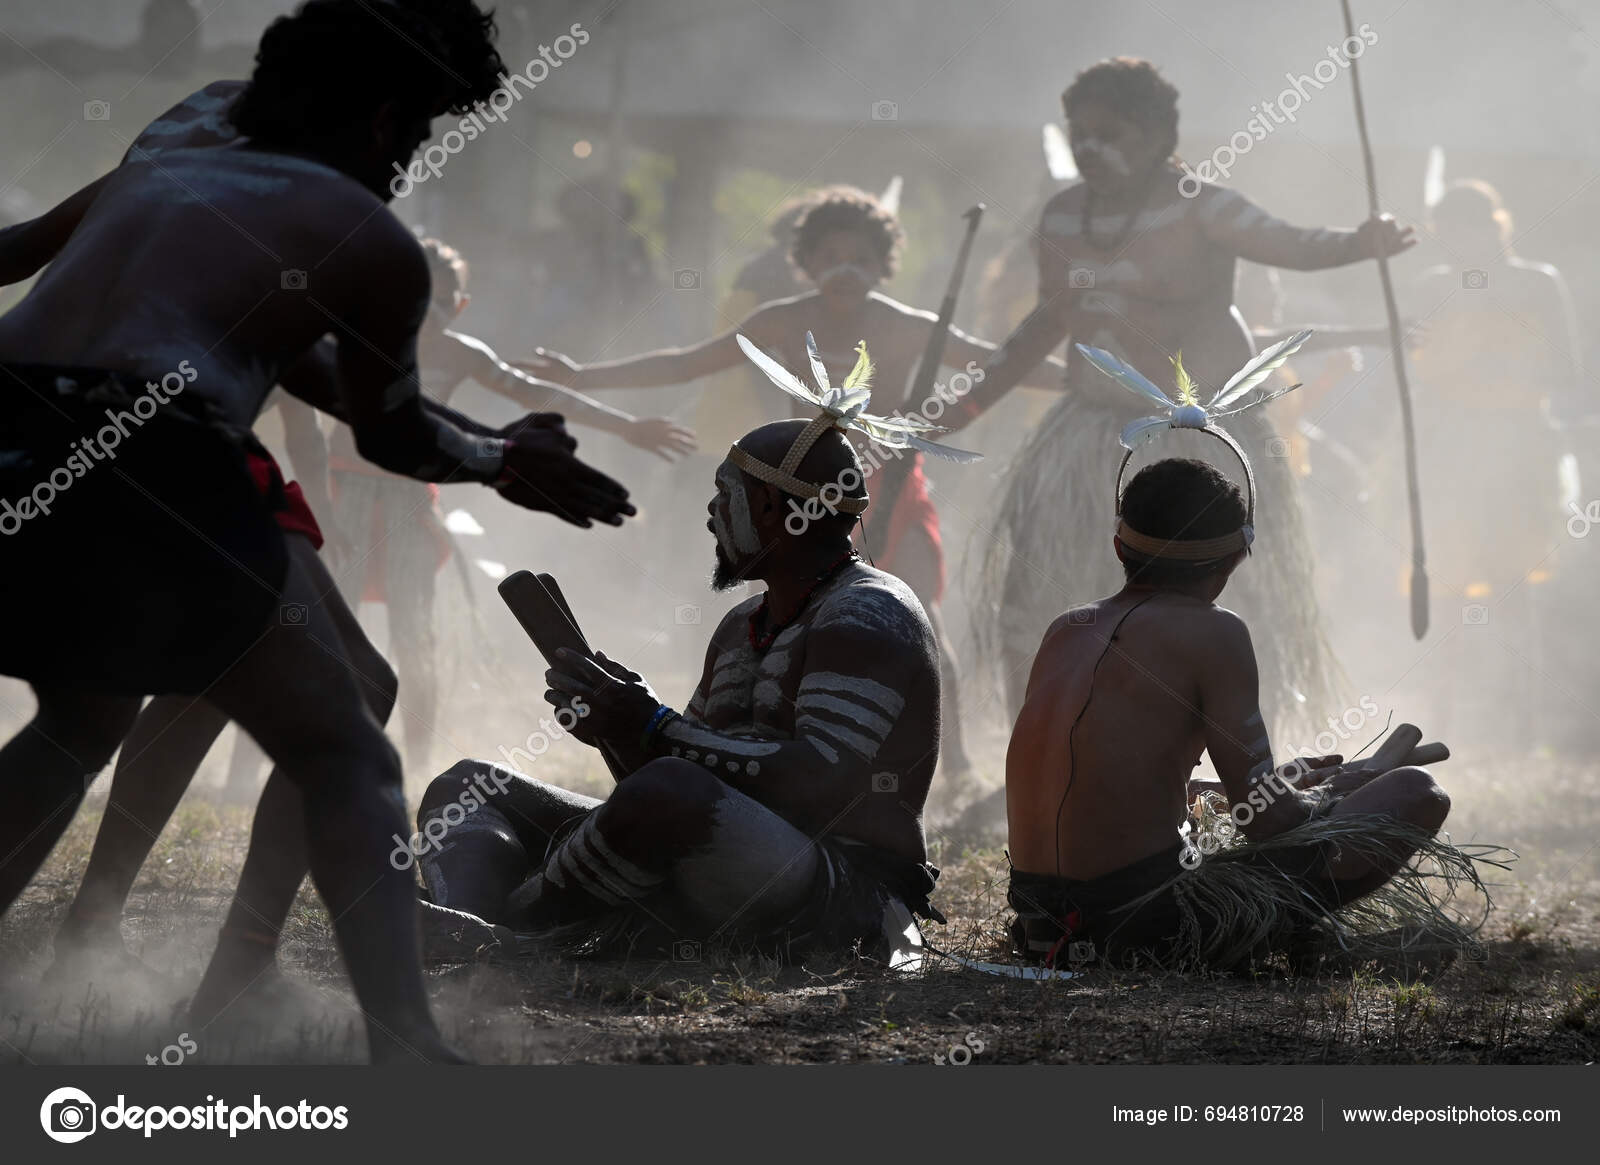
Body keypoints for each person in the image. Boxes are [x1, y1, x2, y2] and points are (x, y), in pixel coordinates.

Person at [0, 0, 633, 1062]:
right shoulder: (366, 235)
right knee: (347, 747)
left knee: (80, 714)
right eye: (425, 131)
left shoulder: (170, 147)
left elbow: (33, 256)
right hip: (160, 451)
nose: (413, 163)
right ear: (386, 118)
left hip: (16, 427)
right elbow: (393, 437)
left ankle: (242, 981)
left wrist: (484, 444)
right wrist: (498, 456)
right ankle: (405, 1047)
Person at [413, 355, 956, 959]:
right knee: (470, 785)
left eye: (726, 495)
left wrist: (653, 726)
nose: (710, 514)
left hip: (844, 895)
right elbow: (676, 782)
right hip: (727, 863)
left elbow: (821, 782)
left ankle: (518, 932)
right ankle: (461, 922)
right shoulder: (740, 627)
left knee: (670, 788)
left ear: (777, 509)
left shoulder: (867, 614)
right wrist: (616, 731)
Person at [523, 187, 1064, 778]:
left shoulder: (907, 326)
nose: (845, 269)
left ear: (884, 264)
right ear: (805, 262)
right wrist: (583, 375)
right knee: (785, 613)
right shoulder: (782, 319)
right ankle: (769, 735)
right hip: (795, 498)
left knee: (920, 614)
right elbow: (686, 362)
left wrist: (1084, 380)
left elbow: (1003, 362)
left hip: (891, 487)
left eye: (859, 256)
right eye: (830, 255)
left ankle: (953, 760)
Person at [948, 58, 1413, 737]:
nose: (1089, 148)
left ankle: (1237, 763)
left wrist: (1359, 244)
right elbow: (1043, 325)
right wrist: (949, 412)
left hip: (1198, 440)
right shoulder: (1063, 214)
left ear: (1159, 133)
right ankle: (1049, 746)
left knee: (1225, 601)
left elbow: (1290, 244)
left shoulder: (1200, 203)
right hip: (1086, 434)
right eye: (1079, 132)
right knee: (1044, 594)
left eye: (1110, 133)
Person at [1006, 456, 1459, 970]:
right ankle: (1296, 944)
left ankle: (1300, 943)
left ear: (1118, 547)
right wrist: (1338, 789)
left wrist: (1271, 785)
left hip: (1042, 928)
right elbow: (1270, 822)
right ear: (1235, 560)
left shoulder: (1067, 628)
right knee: (1417, 792)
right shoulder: (1216, 632)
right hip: (1142, 930)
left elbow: (1114, 795)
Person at [325, 236, 695, 769]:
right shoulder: (357, 343)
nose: (430, 307)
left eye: (443, 294)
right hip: (347, 494)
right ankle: (291, 754)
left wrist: (628, 426)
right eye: (418, 291)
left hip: (409, 499)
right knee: (330, 630)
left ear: (461, 305)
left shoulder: (461, 353)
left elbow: (535, 393)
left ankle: (415, 763)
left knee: (416, 634)